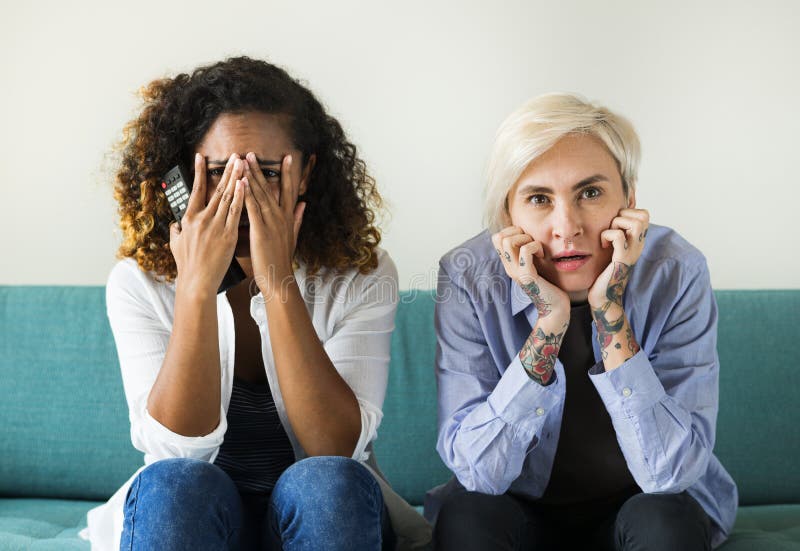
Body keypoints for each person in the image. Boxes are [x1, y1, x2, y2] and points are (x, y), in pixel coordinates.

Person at [81, 56, 430, 551]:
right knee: (175, 482)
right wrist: (197, 289)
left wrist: (277, 280)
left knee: (328, 482)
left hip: (316, 516)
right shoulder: (138, 283)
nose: (241, 196)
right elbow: (174, 450)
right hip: (199, 515)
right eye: (220, 171)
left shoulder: (362, 274)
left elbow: (334, 449)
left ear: (305, 174)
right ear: (182, 180)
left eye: (266, 172)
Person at [426, 93, 738, 550]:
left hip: (643, 504)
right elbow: (479, 472)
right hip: (515, 508)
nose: (566, 226)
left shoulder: (676, 271)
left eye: (590, 193)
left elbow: (668, 473)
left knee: (663, 522)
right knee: (468, 516)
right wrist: (549, 322)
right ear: (506, 216)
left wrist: (609, 309)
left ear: (629, 198)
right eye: (538, 199)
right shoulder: (469, 277)